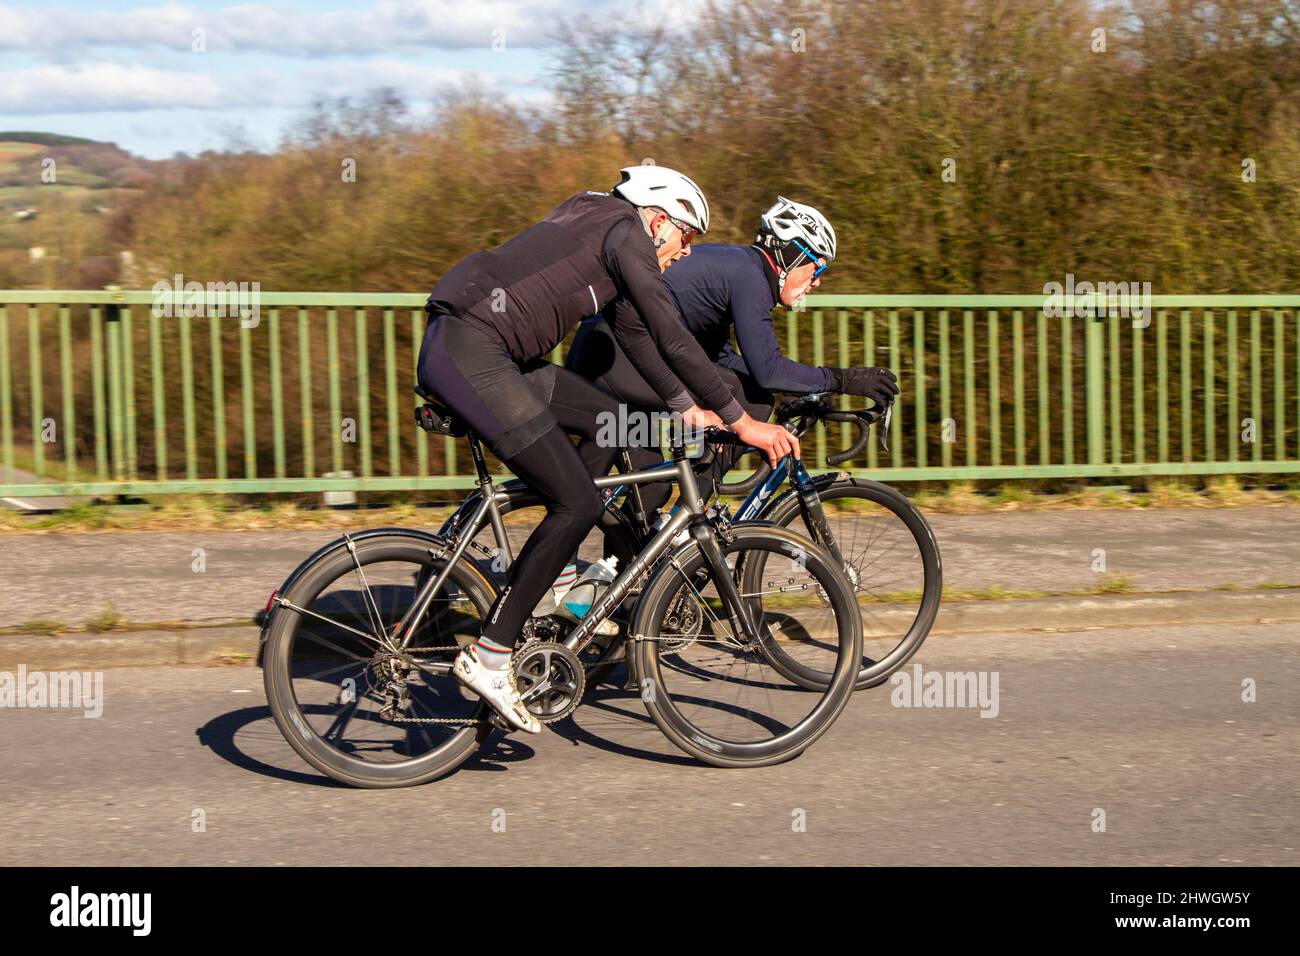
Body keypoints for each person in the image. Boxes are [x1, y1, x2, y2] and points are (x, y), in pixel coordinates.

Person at [417, 166, 799, 734]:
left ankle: (559, 573)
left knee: (614, 425)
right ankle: (492, 654)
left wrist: (680, 403)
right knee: (577, 501)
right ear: (661, 220)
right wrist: (742, 421)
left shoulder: (599, 219)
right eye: (686, 238)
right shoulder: (627, 234)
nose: (685, 253)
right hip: (477, 353)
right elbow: (672, 333)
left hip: (490, 350)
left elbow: (640, 336)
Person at [566, 195, 900, 512]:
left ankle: (624, 566)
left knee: (652, 491)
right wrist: (843, 379)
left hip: (610, 351)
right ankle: (693, 520)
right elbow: (767, 371)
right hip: (616, 352)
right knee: (752, 395)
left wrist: (812, 389)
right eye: (818, 268)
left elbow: (721, 356)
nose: (816, 283)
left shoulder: (740, 267)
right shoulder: (750, 276)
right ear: (793, 256)